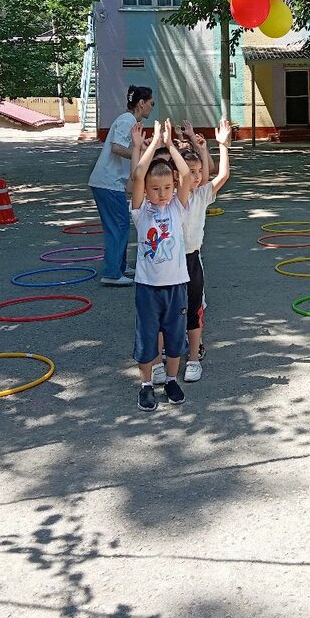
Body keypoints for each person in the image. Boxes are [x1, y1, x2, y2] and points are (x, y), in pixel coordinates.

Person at [130, 118, 192, 412]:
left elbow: (186, 175)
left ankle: (170, 380)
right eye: (155, 188)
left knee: (175, 337)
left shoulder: (178, 207)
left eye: (167, 187)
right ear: (146, 190)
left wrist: (170, 144)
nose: (162, 193)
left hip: (176, 284)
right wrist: (154, 142)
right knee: (147, 337)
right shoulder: (141, 212)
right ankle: (145, 385)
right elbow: (138, 174)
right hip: (148, 287)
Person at [178, 118, 232, 383]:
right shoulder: (168, 198)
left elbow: (222, 176)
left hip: (191, 259)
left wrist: (222, 145)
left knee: (194, 307)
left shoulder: (201, 195)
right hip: (169, 262)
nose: (198, 175)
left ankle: (193, 356)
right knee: (170, 309)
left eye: (199, 171)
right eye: (191, 171)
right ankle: (167, 352)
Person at [88, 85, 154, 286]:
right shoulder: (127, 120)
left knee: (120, 225)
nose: (152, 107)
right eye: (151, 103)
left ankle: (120, 267)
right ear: (141, 103)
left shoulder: (130, 121)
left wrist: (141, 148)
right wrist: (141, 152)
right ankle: (112, 273)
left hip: (110, 183)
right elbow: (117, 147)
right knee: (118, 226)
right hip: (108, 183)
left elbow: (126, 147)